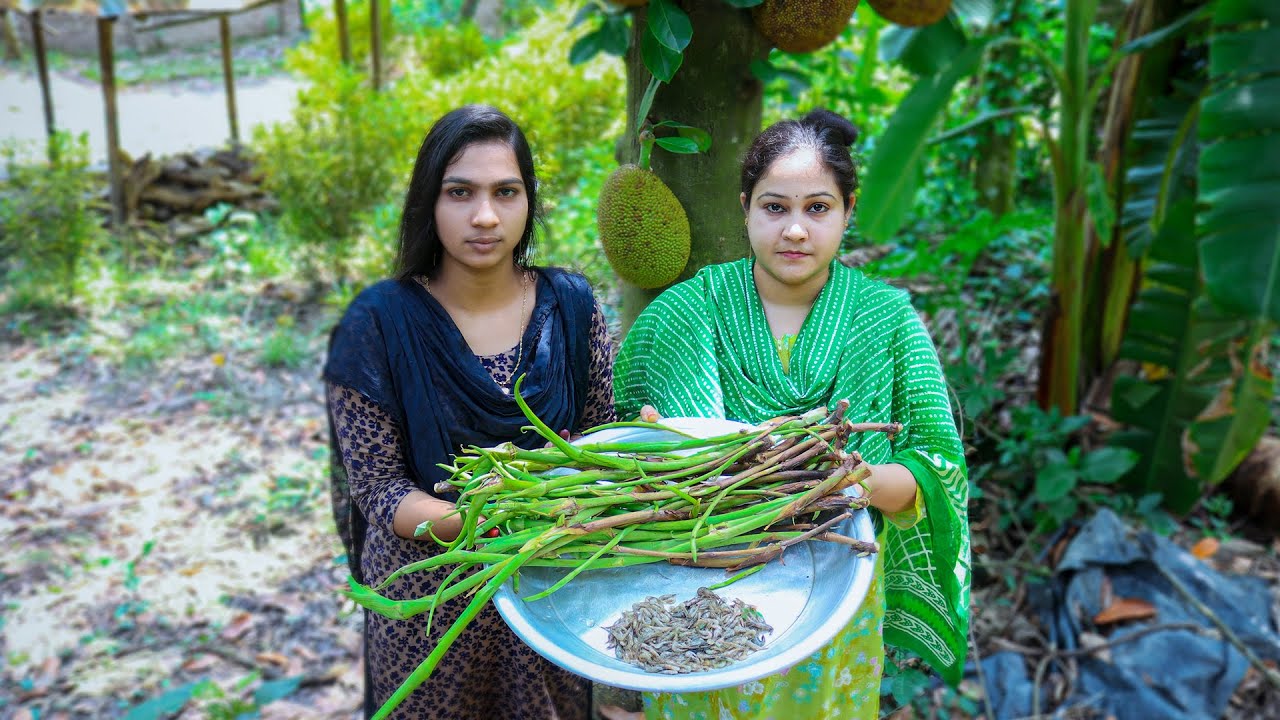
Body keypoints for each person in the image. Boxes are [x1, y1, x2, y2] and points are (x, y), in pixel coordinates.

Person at [612, 108, 970, 719]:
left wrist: (848, 478)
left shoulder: (887, 321)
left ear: (849, 210)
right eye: (775, 208)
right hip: (699, 590)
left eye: (818, 208)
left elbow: (937, 468)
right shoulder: (683, 315)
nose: (796, 230)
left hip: (836, 588)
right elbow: (625, 450)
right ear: (746, 206)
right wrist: (653, 443)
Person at [323, 104, 616, 719]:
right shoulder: (376, 325)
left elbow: (599, 443)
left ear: (528, 202)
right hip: (431, 594)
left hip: (551, 586)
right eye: (460, 193)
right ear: (429, 202)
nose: (485, 216)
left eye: (505, 192)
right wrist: (508, 521)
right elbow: (379, 491)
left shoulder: (571, 307)